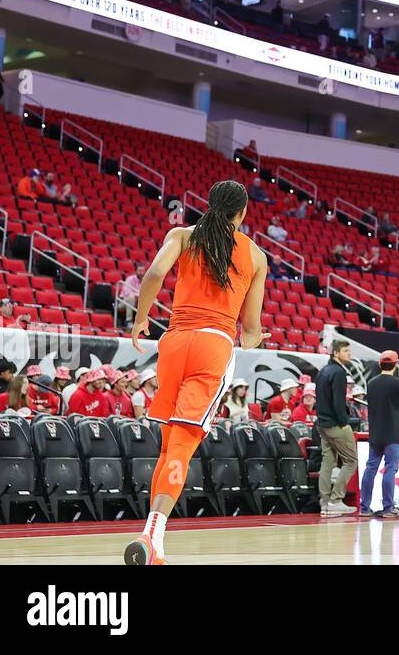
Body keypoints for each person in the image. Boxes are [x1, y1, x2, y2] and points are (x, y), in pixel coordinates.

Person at [123, 179, 268, 564]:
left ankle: (157, 545)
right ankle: (151, 534)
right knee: (183, 448)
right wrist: (254, 338)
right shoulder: (255, 255)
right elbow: (249, 329)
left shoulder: (183, 235)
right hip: (213, 344)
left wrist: (141, 319)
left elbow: (154, 274)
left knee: (169, 444)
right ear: (242, 213)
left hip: (173, 341)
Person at [360, 350, 399, 519]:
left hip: (375, 433)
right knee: (390, 469)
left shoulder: (371, 383)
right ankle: (388, 507)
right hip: (394, 433)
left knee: (370, 468)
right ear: (396, 365)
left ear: (380, 364)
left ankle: (364, 507)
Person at [314, 339, 360, 518]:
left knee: (328, 462)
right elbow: (338, 402)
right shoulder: (339, 372)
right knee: (351, 461)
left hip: (322, 424)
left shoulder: (323, 371)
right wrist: (344, 422)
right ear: (336, 353)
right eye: (346, 351)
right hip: (336, 424)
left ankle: (325, 504)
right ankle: (336, 500)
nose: (349, 354)